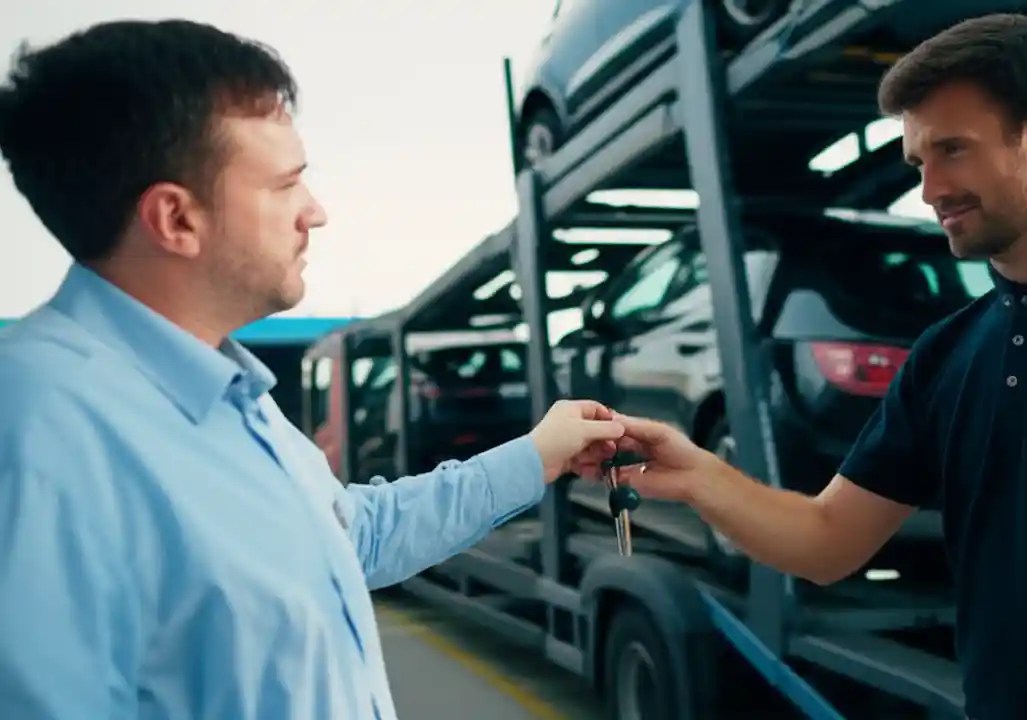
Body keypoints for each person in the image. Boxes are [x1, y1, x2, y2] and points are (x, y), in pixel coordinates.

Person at [613, 12, 1027, 720]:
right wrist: (697, 475)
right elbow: (828, 541)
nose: (930, 188)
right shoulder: (945, 356)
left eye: (953, 150)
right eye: (918, 162)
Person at [0, 20, 623, 719]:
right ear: (176, 219)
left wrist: (539, 456)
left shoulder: (234, 395)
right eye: (286, 184)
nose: (315, 213)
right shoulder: (36, 436)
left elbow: (355, 536)